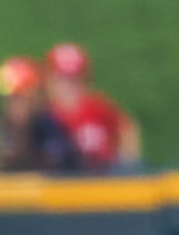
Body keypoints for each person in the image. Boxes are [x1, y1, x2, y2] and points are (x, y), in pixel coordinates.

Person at [43, 42, 141, 173]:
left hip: (102, 176)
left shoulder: (96, 106)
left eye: (74, 78)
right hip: (63, 182)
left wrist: (127, 161)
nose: (69, 86)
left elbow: (126, 128)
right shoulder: (44, 115)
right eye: (63, 78)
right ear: (50, 80)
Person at [0, 56, 78, 174]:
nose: (13, 107)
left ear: (33, 100)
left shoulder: (46, 124)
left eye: (19, 100)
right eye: (8, 100)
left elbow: (58, 163)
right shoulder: (4, 122)